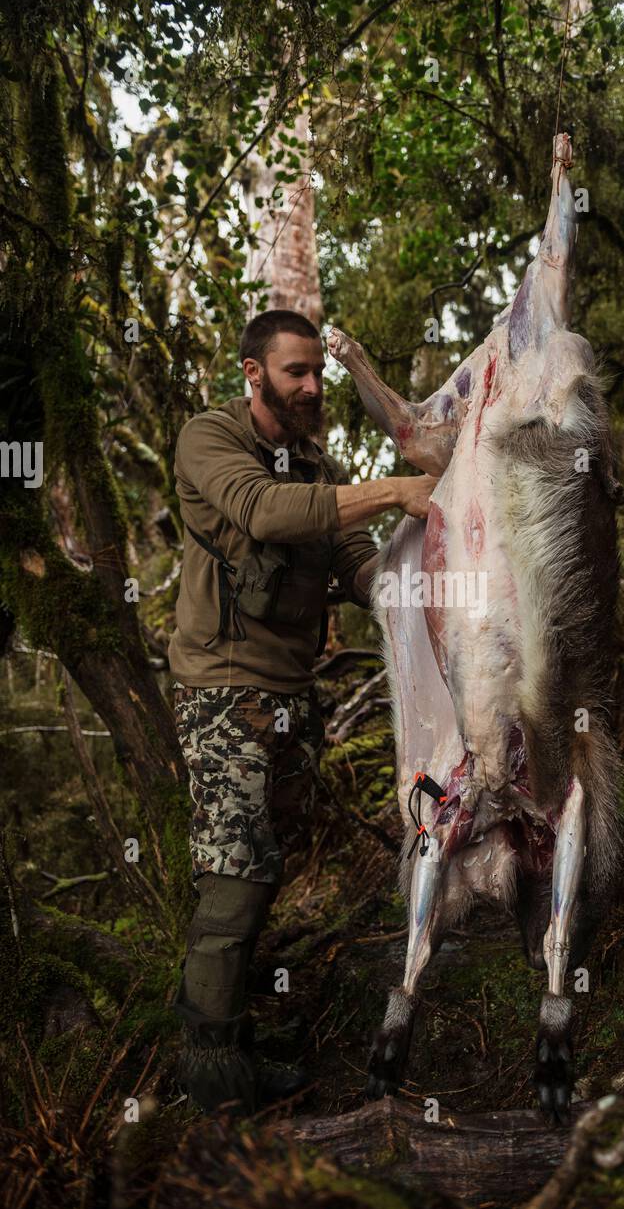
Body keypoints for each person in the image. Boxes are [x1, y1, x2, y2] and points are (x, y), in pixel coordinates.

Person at [168, 308, 435, 1114]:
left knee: (264, 870)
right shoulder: (209, 441)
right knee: (233, 880)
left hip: (288, 697)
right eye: (297, 373)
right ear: (254, 373)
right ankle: (211, 1075)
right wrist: (394, 490)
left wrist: (428, 593)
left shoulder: (316, 463)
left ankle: (235, 1036)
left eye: (319, 372)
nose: (315, 386)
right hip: (224, 693)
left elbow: (354, 561)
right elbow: (264, 514)